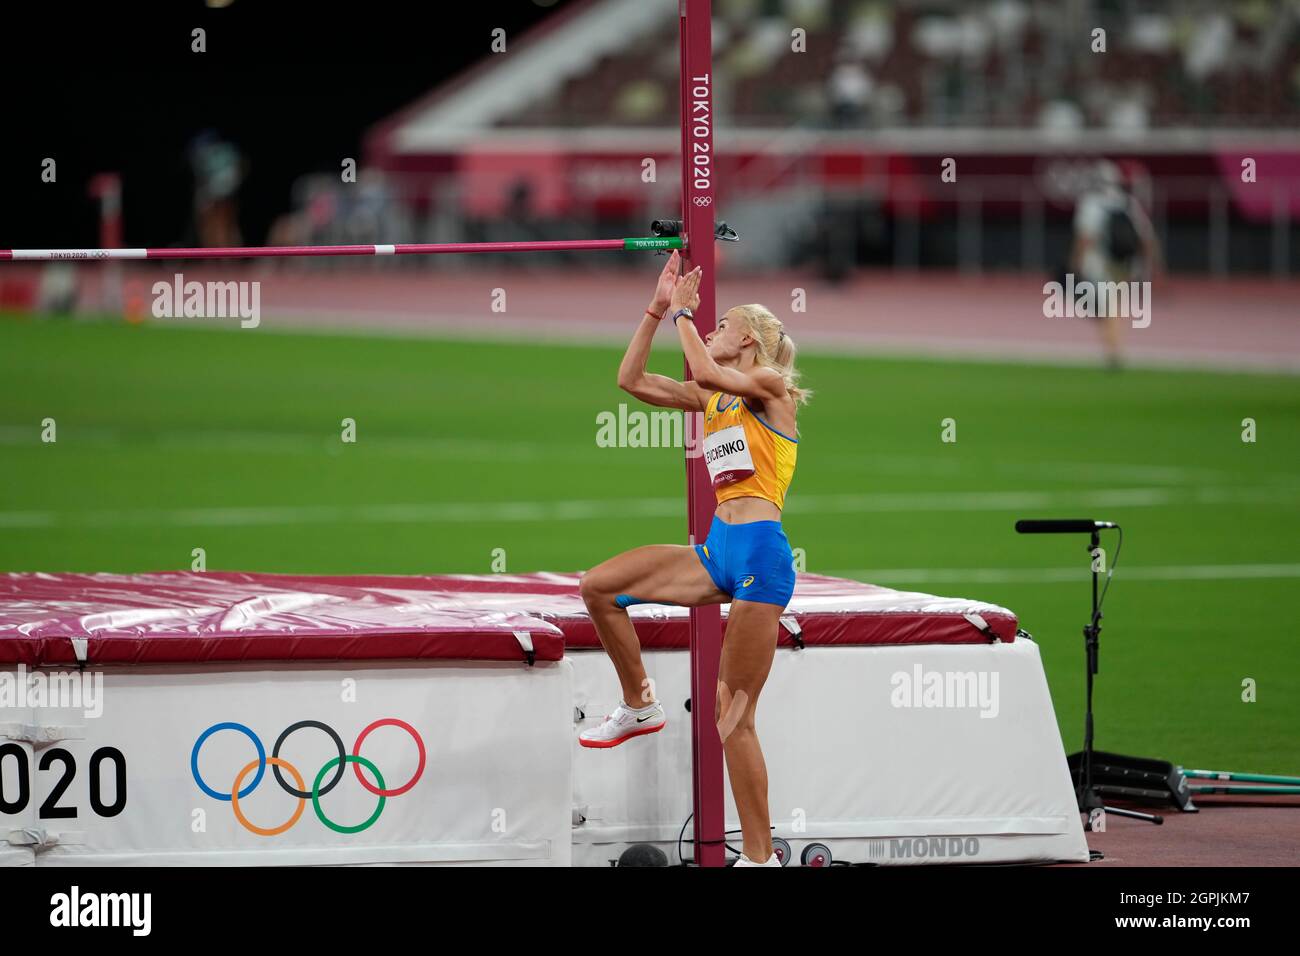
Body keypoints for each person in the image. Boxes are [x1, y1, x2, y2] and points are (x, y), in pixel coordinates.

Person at [578, 249, 811, 867]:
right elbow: (630, 381)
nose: (712, 325)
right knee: (600, 587)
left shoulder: (770, 387)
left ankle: (761, 860)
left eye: (723, 322)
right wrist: (657, 310)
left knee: (732, 716)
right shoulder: (714, 398)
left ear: (749, 340)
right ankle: (639, 703)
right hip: (716, 551)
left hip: (762, 555)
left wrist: (683, 311)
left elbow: (707, 373)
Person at [1069, 160, 1162, 368]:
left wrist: (1075, 263)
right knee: (1115, 307)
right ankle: (1114, 347)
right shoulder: (1127, 202)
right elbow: (1147, 238)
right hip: (1126, 263)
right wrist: (1153, 265)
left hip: (1100, 263)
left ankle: (1113, 352)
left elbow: (1086, 237)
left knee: (1106, 308)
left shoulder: (1091, 203)